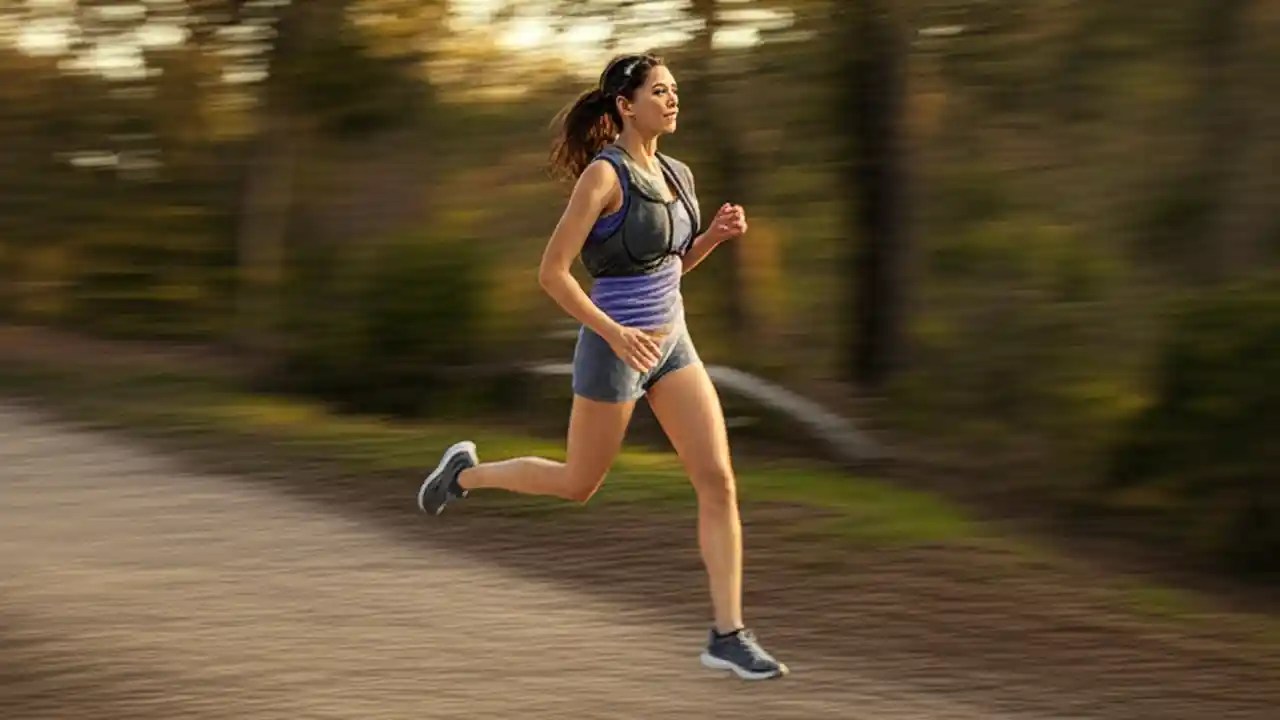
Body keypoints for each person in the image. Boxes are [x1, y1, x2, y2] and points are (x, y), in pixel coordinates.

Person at [416, 52, 788, 681]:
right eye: (660, 92)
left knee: (718, 480)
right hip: (612, 346)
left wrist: (713, 240)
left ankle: (729, 633)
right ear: (625, 105)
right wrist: (615, 335)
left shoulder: (679, 175)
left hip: (673, 346)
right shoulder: (602, 177)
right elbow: (551, 274)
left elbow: (666, 266)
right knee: (578, 484)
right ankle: (465, 475)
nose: (672, 100)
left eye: (675, 91)